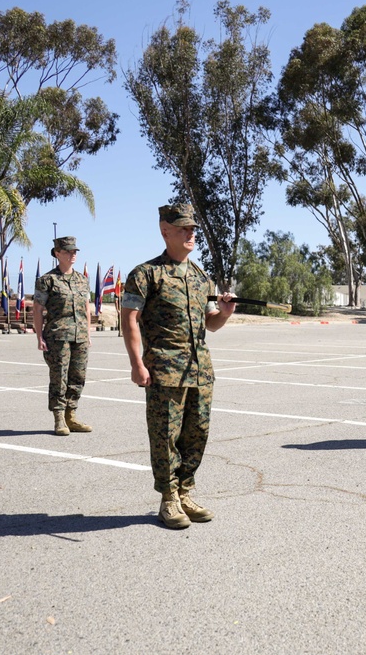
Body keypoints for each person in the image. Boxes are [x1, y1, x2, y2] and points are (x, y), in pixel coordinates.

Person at [121, 203, 236, 530]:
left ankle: (185, 492)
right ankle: (168, 498)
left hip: (200, 371)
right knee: (165, 436)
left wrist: (225, 313)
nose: (190, 233)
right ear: (165, 231)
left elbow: (210, 324)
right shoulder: (146, 274)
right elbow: (129, 319)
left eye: (192, 228)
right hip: (164, 371)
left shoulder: (201, 277)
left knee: (197, 434)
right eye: (183, 228)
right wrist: (136, 364)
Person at [33, 237, 93, 436]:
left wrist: (88, 333)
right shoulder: (47, 280)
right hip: (58, 336)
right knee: (59, 377)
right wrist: (39, 337)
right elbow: (38, 309)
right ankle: (59, 418)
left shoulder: (82, 279)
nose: (72, 254)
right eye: (67, 251)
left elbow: (86, 308)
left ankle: (71, 416)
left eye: (74, 251)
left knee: (78, 376)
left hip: (80, 335)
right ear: (57, 253)